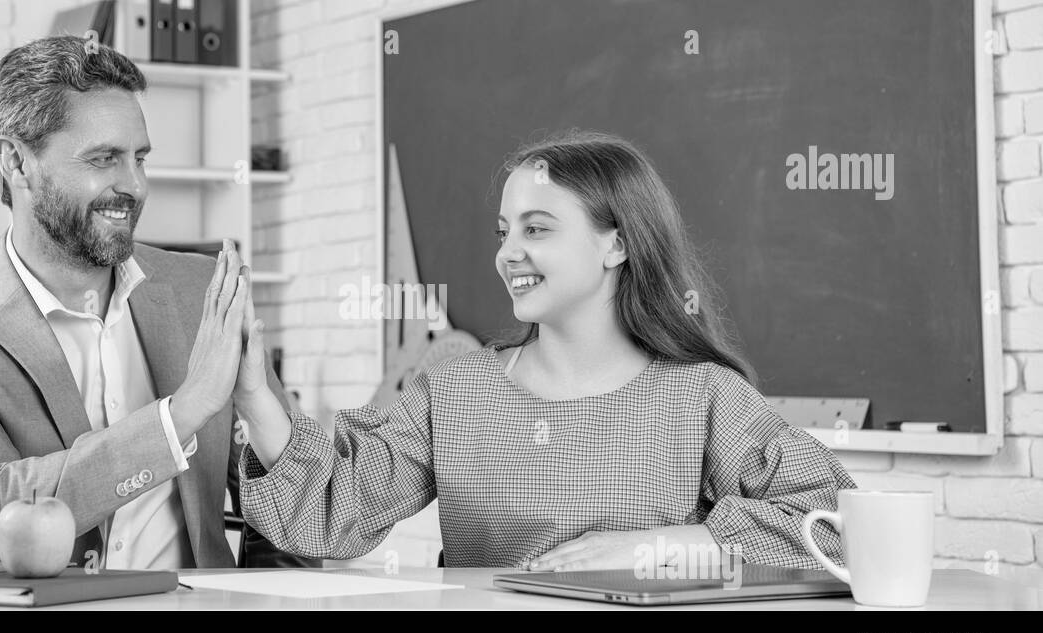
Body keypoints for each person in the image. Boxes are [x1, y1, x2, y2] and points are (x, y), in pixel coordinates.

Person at [229, 131, 856, 570]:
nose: (508, 253)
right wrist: (256, 397)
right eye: (505, 232)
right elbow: (330, 514)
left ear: (616, 245)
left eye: (538, 229)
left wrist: (667, 544)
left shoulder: (702, 397)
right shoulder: (452, 391)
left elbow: (834, 523)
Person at [0, 36, 314, 570]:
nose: (135, 185)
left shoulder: (201, 292)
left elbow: (291, 497)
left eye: (139, 158)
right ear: (15, 161)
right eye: (104, 159)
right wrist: (182, 414)